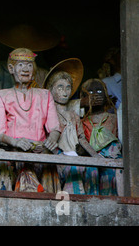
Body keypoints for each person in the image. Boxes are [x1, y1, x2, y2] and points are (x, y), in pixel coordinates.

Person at [0, 48, 61, 193]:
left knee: (51, 170)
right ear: (11, 68)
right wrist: (16, 142)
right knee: (25, 174)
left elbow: (54, 128)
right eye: (21, 65)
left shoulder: (45, 95)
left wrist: (51, 140)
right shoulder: (2, 95)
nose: (25, 69)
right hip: (14, 153)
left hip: (41, 153)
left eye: (29, 65)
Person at [44, 59, 99, 194]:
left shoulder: (73, 115)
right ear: (50, 90)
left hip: (74, 154)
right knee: (73, 169)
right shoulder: (48, 113)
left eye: (68, 87)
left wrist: (95, 156)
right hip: (58, 155)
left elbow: (81, 138)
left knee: (93, 169)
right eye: (60, 87)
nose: (65, 92)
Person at [80, 78, 122, 196]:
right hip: (91, 164)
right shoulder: (81, 121)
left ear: (106, 96)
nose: (95, 96)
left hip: (112, 165)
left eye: (99, 92)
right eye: (90, 93)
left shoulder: (114, 118)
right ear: (84, 97)